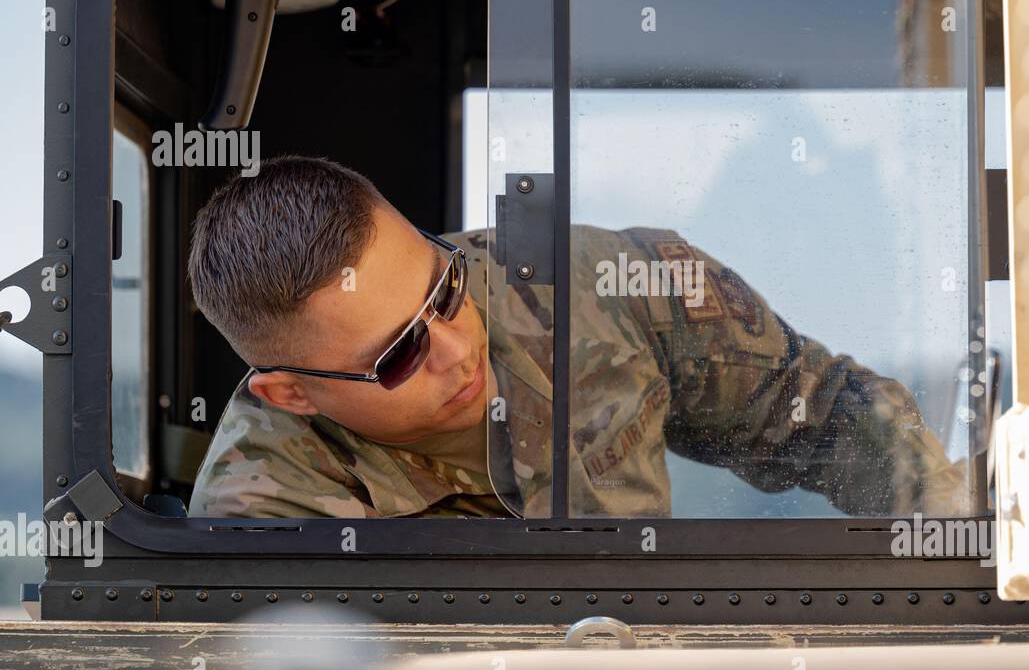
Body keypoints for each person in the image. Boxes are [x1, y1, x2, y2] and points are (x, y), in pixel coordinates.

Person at [187, 156, 971, 519]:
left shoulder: (602, 288)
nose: (457, 349)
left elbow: (827, 412)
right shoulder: (261, 516)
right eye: (400, 355)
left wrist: (942, 541)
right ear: (290, 393)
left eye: (446, 289)